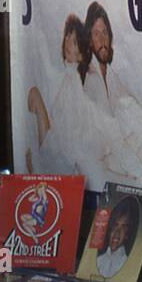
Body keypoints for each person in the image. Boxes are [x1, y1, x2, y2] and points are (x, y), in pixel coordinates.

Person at [82, 2, 142, 191]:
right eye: (96, 34)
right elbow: (113, 138)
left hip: (127, 157)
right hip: (106, 166)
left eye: (105, 32)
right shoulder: (90, 83)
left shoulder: (112, 76)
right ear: (89, 40)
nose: (102, 39)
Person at [26, 15, 95, 178]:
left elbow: (70, 137)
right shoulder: (70, 76)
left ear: (81, 56)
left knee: (34, 94)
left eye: (74, 41)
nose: (67, 41)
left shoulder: (75, 82)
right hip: (58, 153)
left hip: (59, 158)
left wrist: (41, 159)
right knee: (34, 95)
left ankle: (35, 164)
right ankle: (34, 160)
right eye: (67, 36)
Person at [96, 200, 138, 279]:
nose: (117, 232)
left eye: (123, 227)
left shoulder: (127, 265)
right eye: (115, 225)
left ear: (127, 234)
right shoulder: (99, 261)